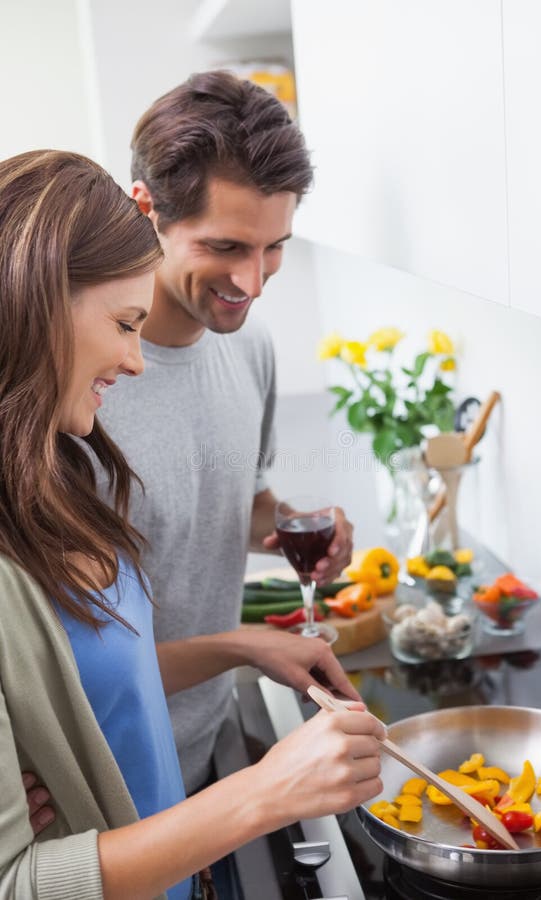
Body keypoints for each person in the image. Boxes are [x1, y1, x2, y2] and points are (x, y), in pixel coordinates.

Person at [0, 149, 384, 899]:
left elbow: (90, 683)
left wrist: (238, 647)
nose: (136, 361)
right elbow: (16, 882)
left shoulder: (64, 468)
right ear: (35, 303)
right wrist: (266, 793)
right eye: (122, 322)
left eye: (274, 249)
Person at [97, 69, 356, 795]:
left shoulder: (249, 346)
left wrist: (299, 527)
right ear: (145, 209)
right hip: (99, 776)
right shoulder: (76, 382)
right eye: (226, 247)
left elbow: (231, 504)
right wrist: (242, 646)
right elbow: (62, 661)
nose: (254, 280)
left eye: (274, 246)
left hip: (202, 752)